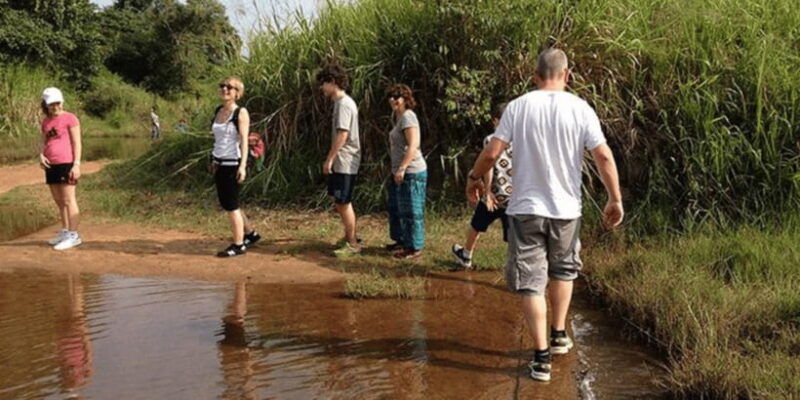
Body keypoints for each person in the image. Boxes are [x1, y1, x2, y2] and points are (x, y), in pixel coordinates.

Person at [466, 48, 624, 382]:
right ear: (567, 74)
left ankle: (540, 359)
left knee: (531, 283)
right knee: (564, 270)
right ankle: (558, 334)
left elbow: (492, 152)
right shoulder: (581, 108)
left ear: (535, 76)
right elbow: (603, 156)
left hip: (525, 210)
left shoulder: (518, 107)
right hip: (567, 210)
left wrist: (473, 179)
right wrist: (615, 199)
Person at [452, 102, 512, 269]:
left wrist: (487, 191)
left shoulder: (491, 140)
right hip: (514, 197)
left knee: (476, 224)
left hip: (494, 195)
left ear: (494, 121)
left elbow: (488, 166)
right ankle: (514, 264)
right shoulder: (520, 142)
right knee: (512, 234)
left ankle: (466, 255)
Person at [211, 76, 261, 257]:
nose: (225, 89)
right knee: (231, 203)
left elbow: (244, 142)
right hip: (219, 162)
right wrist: (213, 159)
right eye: (222, 86)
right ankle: (251, 234)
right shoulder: (218, 111)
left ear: (237, 93)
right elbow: (217, 139)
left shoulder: (240, 113)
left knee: (230, 206)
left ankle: (239, 245)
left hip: (232, 163)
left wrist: (243, 166)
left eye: (229, 88)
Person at [317, 65, 362, 257]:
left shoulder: (344, 104)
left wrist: (330, 159)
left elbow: (343, 134)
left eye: (324, 83)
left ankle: (352, 243)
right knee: (339, 200)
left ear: (333, 82)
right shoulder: (340, 103)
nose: (322, 88)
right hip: (342, 159)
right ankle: (349, 237)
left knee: (343, 201)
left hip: (345, 159)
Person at [385, 84, 427, 259]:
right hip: (400, 171)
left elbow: (413, 144)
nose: (394, 99)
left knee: (412, 210)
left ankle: (414, 247)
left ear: (405, 99)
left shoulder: (408, 117)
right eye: (391, 96)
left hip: (412, 171)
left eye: (398, 96)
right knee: (398, 208)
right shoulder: (398, 118)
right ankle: (403, 241)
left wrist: (402, 168)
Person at [39, 87, 83, 250]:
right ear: (46, 104)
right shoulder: (46, 121)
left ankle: (73, 235)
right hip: (51, 164)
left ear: (62, 101)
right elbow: (43, 141)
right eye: (52, 104)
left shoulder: (70, 118)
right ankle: (65, 231)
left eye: (57, 103)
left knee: (69, 200)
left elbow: (77, 143)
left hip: (66, 163)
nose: (55, 106)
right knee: (59, 201)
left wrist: (76, 164)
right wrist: (41, 155)